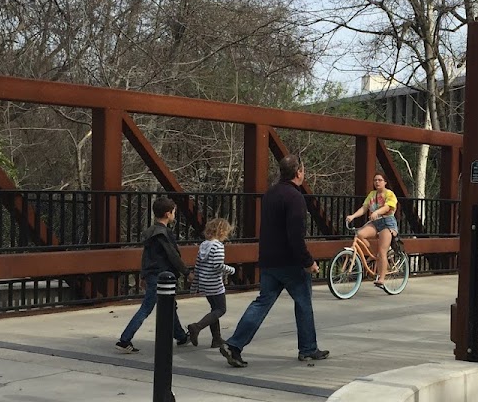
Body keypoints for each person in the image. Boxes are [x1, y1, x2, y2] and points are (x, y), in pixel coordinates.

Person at [219, 155, 328, 367]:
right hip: (290, 262)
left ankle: (235, 344)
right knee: (303, 303)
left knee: (262, 303)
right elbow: (295, 236)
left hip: (269, 259)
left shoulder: (270, 194)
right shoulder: (295, 197)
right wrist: (308, 262)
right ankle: (308, 349)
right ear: (298, 173)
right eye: (303, 170)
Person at [116, 196, 190, 353]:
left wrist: (144, 274)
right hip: (162, 275)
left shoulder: (150, 232)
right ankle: (125, 339)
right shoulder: (163, 234)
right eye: (174, 212)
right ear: (168, 214)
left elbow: (146, 257)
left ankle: (181, 336)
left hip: (152, 274)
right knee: (147, 307)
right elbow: (173, 255)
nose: (174, 215)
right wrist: (186, 272)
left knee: (170, 306)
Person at [344, 173, 400, 289]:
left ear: (385, 182)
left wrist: (376, 212)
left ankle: (382, 279)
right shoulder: (372, 194)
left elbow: (388, 207)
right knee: (360, 234)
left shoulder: (390, 194)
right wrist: (353, 216)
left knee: (382, 251)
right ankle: (374, 255)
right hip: (376, 223)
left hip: (387, 223)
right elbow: (364, 208)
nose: (377, 182)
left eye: (380, 180)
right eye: (375, 180)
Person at [187, 217, 235, 348]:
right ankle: (197, 327)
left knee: (214, 309)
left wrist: (195, 285)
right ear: (221, 232)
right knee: (221, 309)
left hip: (204, 282)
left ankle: (216, 339)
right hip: (215, 283)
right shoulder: (218, 246)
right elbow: (217, 265)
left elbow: (197, 266)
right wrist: (231, 270)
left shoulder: (203, 245)